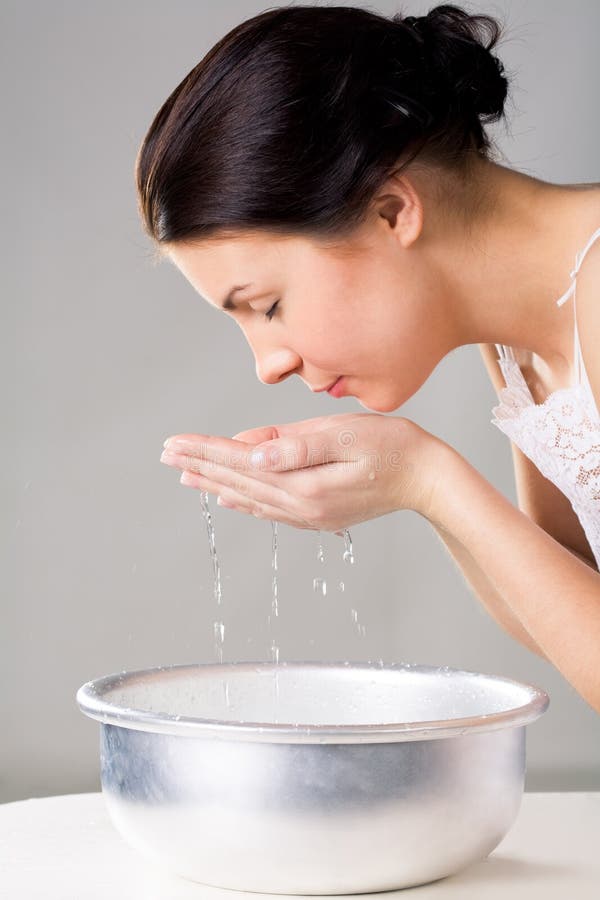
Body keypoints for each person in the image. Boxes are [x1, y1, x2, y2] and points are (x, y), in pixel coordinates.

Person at [136, 5, 600, 711]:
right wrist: (415, 491)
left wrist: (431, 478)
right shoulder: (512, 331)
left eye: (267, 306)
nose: (267, 366)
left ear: (392, 211)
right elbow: (565, 611)